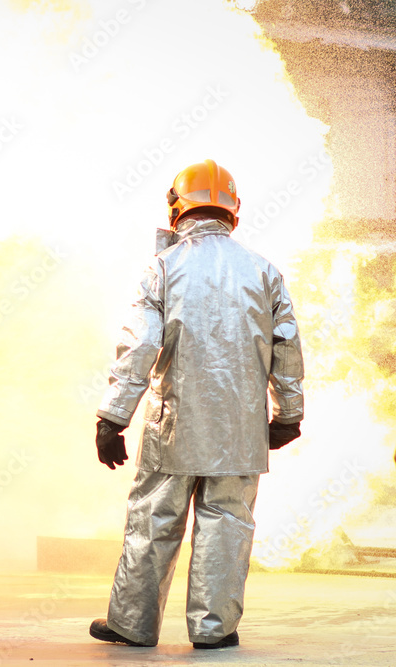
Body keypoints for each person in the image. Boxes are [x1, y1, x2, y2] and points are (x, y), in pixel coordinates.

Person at [90, 160, 304, 649]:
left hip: (174, 427)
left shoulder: (163, 267)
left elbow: (140, 345)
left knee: (153, 522)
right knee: (227, 526)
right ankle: (215, 630)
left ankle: (132, 624)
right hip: (241, 432)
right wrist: (288, 413)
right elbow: (287, 348)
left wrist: (113, 415)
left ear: (176, 206)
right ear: (233, 211)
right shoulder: (264, 271)